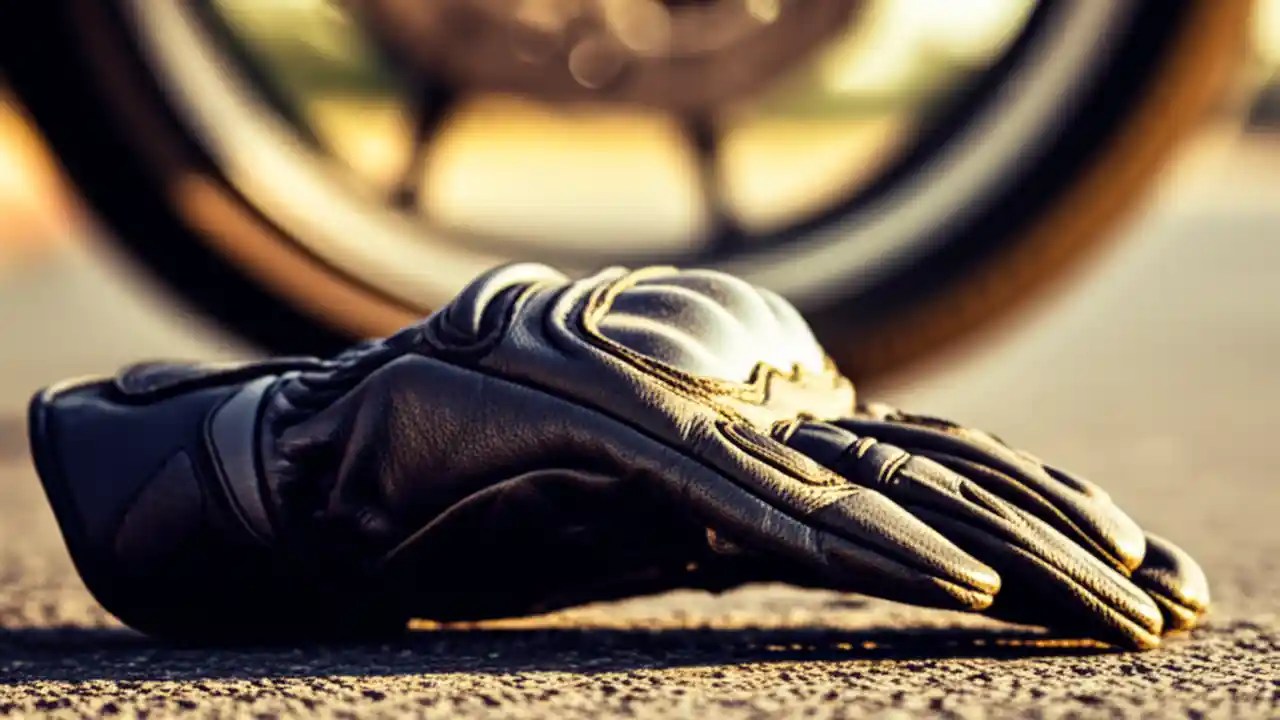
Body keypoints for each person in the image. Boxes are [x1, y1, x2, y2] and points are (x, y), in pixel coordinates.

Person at [27, 263, 1208, 648]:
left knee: (645, 365)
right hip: (194, 517)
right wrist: (307, 462)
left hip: (189, 508)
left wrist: (278, 464)